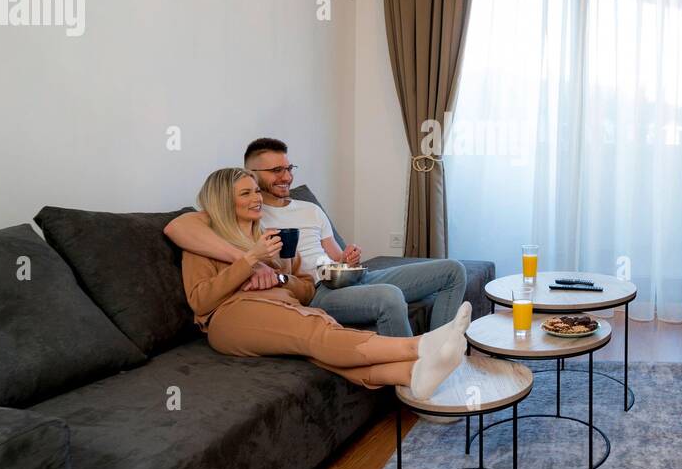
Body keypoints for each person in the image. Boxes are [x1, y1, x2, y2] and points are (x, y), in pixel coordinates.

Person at [181, 167, 469, 398]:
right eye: (246, 193)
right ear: (224, 201)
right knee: (315, 330)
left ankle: (410, 378)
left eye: (256, 190)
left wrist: (279, 276)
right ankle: (422, 348)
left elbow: (305, 289)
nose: (257, 198)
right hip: (232, 316)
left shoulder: (270, 238)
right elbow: (201, 301)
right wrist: (248, 263)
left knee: (321, 345)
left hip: (286, 309)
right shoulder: (206, 243)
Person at [165, 137, 466, 337]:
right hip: (317, 292)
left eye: (288, 167)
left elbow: (336, 256)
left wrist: (348, 259)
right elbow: (179, 227)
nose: (286, 176)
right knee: (390, 297)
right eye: (275, 170)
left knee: (453, 270)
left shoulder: (309, 209)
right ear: (251, 173)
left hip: (348, 280)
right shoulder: (246, 212)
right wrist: (253, 263)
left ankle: (442, 348)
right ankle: (415, 370)